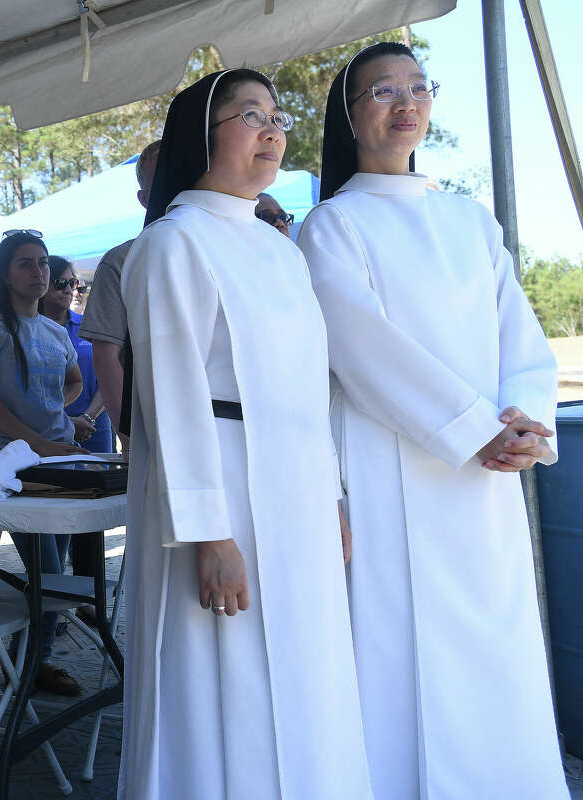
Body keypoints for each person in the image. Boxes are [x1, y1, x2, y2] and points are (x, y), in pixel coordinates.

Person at [297, 41, 566, 799]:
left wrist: (526, 424)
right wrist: (476, 428)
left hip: (486, 482)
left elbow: (522, 336)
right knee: (403, 659)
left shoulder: (471, 221)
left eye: (419, 87)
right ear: (350, 116)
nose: (407, 103)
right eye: (384, 91)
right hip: (393, 472)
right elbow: (364, 349)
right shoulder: (331, 227)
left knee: (494, 652)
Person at [118, 70, 371, 799]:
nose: (270, 129)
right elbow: (171, 396)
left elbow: (309, 388)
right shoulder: (173, 244)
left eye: (276, 115)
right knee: (221, 674)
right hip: (222, 488)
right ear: (200, 135)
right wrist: (209, 532)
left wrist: (331, 496)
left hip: (295, 490)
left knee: (306, 667)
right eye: (248, 114)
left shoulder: (281, 251)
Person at [0, 231, 88, 696]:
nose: (38, 272)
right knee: (49, 573)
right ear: (4, 273)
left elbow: (73, 381)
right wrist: (39, 442)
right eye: (25, 264)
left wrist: (62, 413)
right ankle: (31, 663)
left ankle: (32, 657)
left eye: (41, 264)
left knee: (55, 568)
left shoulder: (57, 331)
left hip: (58, 459)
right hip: (7, 462)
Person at [78, 139, 161, 453]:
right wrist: (131, 441)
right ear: (144, 198)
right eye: (163, 179)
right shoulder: (123, 260)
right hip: (153, 432)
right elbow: (106, 356)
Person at [39, 256, 110, 452]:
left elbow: (110, 375)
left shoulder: (90, 326)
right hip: (47, 428)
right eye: (61, 283)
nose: (69, 290)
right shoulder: (28, 331)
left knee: (98, 480)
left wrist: (88, 417)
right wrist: (66, 422)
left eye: (73, 283)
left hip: (94, 425)